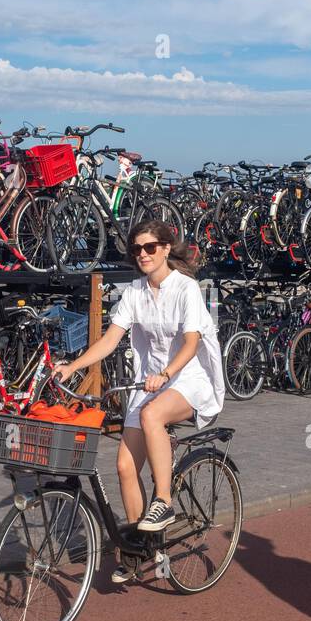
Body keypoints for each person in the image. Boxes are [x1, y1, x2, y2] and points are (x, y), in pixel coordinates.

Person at [52, 221, 224, 580]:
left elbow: (191, 343)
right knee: (125, 468)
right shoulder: (134, 293)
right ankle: (137, 548)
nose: (142, 254)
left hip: (189, 378)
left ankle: (164, 501)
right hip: (147, 384)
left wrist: (165, 374)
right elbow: (110, 340)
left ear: (165, 248)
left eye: (149, 247)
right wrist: (72, 367)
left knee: (152, 416)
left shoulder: (186, 289)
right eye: (136, 250)